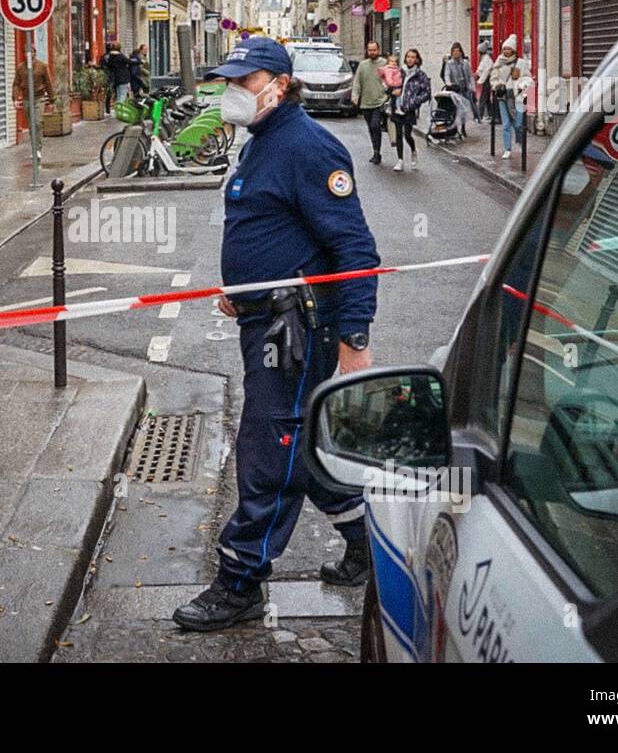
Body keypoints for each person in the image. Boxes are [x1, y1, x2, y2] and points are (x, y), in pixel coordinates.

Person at [172, 37, 380, 632]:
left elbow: (355, 250)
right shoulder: (264, 142)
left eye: (246, 81)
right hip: (267, 316)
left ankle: (239, 581)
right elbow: (271, 228)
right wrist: (244, 291)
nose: (233, 92)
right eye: (230, 82)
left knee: (270, 448)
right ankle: (365, 535)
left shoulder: (308, 147)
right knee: (299, 440)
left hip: (296, 330)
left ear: (279, 85)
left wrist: (354, 339)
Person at [391, 49, 430, 171]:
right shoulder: (399, 72)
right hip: (397, 106)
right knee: (398, 134)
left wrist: (415, 101)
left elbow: (427, 93)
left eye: (413, 57)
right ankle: (400, 160)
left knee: (407, 134)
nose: (410, 59)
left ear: (417, 59)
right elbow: (389, 85)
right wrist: (392, 91)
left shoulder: (420, 75)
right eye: (408, 57)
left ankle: (413, 150)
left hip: (409, 109)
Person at [350, 41, 388, 164]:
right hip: (366, 103)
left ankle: (377, 153)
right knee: (371, 129)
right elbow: (357, 83)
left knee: (375, 126)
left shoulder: (384, 64)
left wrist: (388, 96)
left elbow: (391, 80)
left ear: (379, 50)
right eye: (370, 50)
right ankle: (375, 150)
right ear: (367, 51)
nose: (372, 52)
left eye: (374, 50)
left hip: (380, 101)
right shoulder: (363, 65)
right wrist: (355, 95)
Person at [489, 34, 525, 158]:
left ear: (513, 50)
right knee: (506, 124)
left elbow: (527, 78)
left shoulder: (520, 63)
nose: (506, 51)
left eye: (509, 48)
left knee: (518, 124)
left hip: (516, 97)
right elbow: (493, 78)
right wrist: (497, 85)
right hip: (503, 97)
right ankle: (507, 149)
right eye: (504, 48)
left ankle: (520, 142)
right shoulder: (498, 63)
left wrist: (521, 84)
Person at [441, 41, 476, 123]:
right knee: (456, 109)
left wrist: (472, 88)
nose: (456, 53)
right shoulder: (449, 64)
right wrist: (448, 83)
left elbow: (470, 76)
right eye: (454, 51)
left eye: (458, 51)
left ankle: (463, 127)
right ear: (452, 52)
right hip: (455, 89)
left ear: (461, 52)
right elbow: (447, 74)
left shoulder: (465, 63)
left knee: (465, 109)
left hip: (465, 89)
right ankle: (455, 126)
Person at [102, 42, 132, 114]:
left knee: (119, 95)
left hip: (114, 78)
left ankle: (117, 110)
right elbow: (129, 62)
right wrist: (139, 62)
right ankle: (120, 111)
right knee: (122, 95)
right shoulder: (120, 56)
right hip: (123, 78)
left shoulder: (109, 57)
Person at [474, 40, 495, 125]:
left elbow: (485, 71)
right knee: (486, 100)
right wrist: (477, 74)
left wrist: (480, 81)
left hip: (487, 80)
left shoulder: (486, 59)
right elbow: (481, 69)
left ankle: (480, 116)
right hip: (486, 80)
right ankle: (491, 115)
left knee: (483, 98)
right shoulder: (485, 58)